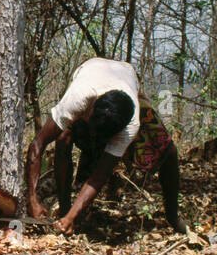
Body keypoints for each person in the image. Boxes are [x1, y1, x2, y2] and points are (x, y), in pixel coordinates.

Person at [25, 57, 188, 235]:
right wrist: (32, 199)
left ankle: (173, 217)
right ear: (91, 111)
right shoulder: (78, 99)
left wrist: (74, 215)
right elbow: (37, 145)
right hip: (91, 70)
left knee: (167, 150)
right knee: (63, 138)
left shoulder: (131, 124)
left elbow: (101, 174)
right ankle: (65, 208)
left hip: (127, 79)